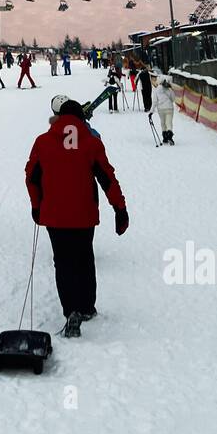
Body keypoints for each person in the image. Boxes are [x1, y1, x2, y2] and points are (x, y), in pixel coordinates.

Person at [25, 96, 128, 338]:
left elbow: (31, 177)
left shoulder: (42, 141)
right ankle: (86, 307)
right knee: (84, 257)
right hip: (84, 213)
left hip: (53, 213)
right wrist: (119, 208)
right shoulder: (91, 143)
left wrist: (36, 205)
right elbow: (107, 178)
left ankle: (69, 309)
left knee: (62, 261)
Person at [154, 75, 175, 144]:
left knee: (163, 123)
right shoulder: (169, 89)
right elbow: (173, 99)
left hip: (160, 109)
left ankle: (165, 137)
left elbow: (155, 101)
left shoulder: (156, 90)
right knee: (169, 123)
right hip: (169, 108)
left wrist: (151, 111)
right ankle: (169, 135)